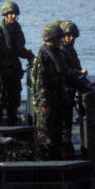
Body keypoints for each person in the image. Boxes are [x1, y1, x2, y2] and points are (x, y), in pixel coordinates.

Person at [0, 1, 33, 125]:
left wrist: (30, 55)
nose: (12, 16)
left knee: (14, 96)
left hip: (12, 68)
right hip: (0, 67)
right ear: (5, 15)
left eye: (14, 14)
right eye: (10, 14)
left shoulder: (17, 28)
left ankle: (12, 120)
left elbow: (20, 49)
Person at [29, 22, 70, 160]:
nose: (62, 40)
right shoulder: (42, 56)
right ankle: (43, 162)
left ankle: (55, 159)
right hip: (46, 102)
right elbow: (39, 82)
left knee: (57, 132)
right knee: (45, 135)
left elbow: (65, 72)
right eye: (59, 38)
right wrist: (44, 102)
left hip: (57, 98)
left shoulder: (57, 54)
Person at [57, 20, 90, 151]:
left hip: (69, 91)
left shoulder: (71, 50)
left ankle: (67, 147)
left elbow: (76, 68)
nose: (70, 38)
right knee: (64, 124)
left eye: (72, 36)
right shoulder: (59, 51)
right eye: (67, 35)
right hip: (61, 92)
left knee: (68, 123)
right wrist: (79, 72)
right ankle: (64, 149)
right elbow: (66, 71)